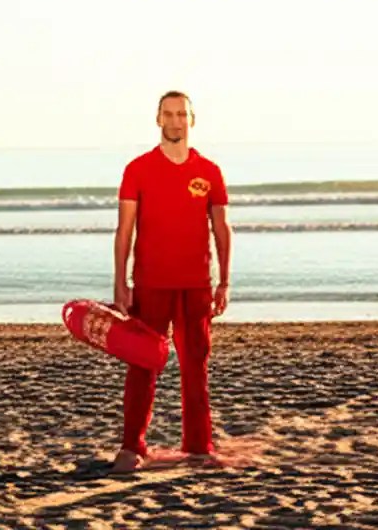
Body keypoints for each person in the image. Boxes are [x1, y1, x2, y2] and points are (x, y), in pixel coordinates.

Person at [111, 90, 232, 473]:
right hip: (149, 283)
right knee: (142, 365)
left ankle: (198, 446)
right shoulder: (138, 169)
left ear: (191, 120)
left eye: (182, 114)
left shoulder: (209, 171)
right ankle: (133, 446)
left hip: (196, 283)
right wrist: (120, 283)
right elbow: (124, 230)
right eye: (169, 114)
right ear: (158, 119)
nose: (176, 120)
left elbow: (221, 228)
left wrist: (223, 281)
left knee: (195, 365)